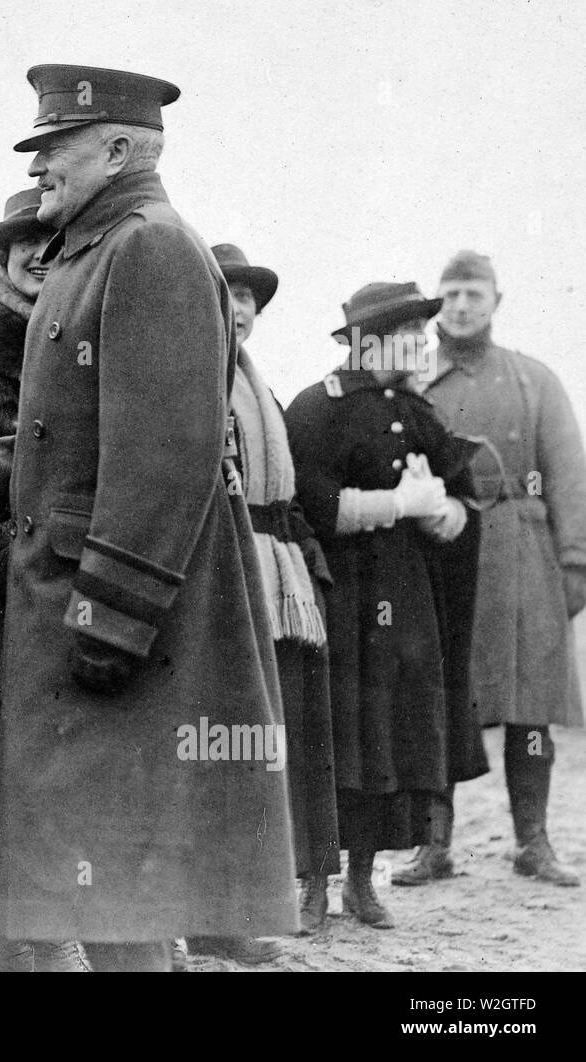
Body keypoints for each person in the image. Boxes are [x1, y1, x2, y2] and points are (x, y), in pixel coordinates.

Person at [0, 66, 299, 972]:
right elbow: (62, 447)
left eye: (56, 148)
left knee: (112, 886)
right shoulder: (90, 251)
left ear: (121, 149)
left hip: (112, 620)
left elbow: (163, 455)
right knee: (82, 877)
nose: (41, 164)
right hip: (70, 608)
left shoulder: (152, 248)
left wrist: (114, 614)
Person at [285, 281, 488, 929]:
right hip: (339, 597)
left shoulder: (414, 410)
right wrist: (401, 504)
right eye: (413, 334)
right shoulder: (317, 408)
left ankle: (363, 884)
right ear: (372, 340)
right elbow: (315, 508)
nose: (424, 344)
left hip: (403, 600)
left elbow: (462, 495)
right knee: (332, 736)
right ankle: (315, 885)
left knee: (387, 739)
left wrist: (445, 514)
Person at [0, 189, 84, 972]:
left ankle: (18, 934)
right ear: (1, 256)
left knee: (35, 753)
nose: (38, 253)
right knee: (12, 752)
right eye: (23, 242)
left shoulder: (52, 327)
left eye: (52, 239)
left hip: (37, 569)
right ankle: (19, 932)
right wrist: (30, 575)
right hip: (5, 580)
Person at [186, 244, 339, 952]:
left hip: (278, 581)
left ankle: (255, 905)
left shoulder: (258, 386)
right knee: (223, 749)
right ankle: (210, 919)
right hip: (223, 575)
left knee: (272, 748)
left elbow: (292, 493)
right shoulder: (194, 378)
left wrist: (308, 563)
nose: (238, 310)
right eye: (226, 294)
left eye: (248, 299)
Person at [414, 250, 583, 887]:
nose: (461, 306)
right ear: (437, 301)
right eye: (451, 293)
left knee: (528, 704)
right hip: (445, 549)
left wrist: (576, 561)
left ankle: (532, 841)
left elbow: (568, 472)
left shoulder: (533, 380)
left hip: (524, 556)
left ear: (496, 303)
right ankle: (434, 845)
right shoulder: (416, 385)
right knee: (439, 696)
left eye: (473, 295)